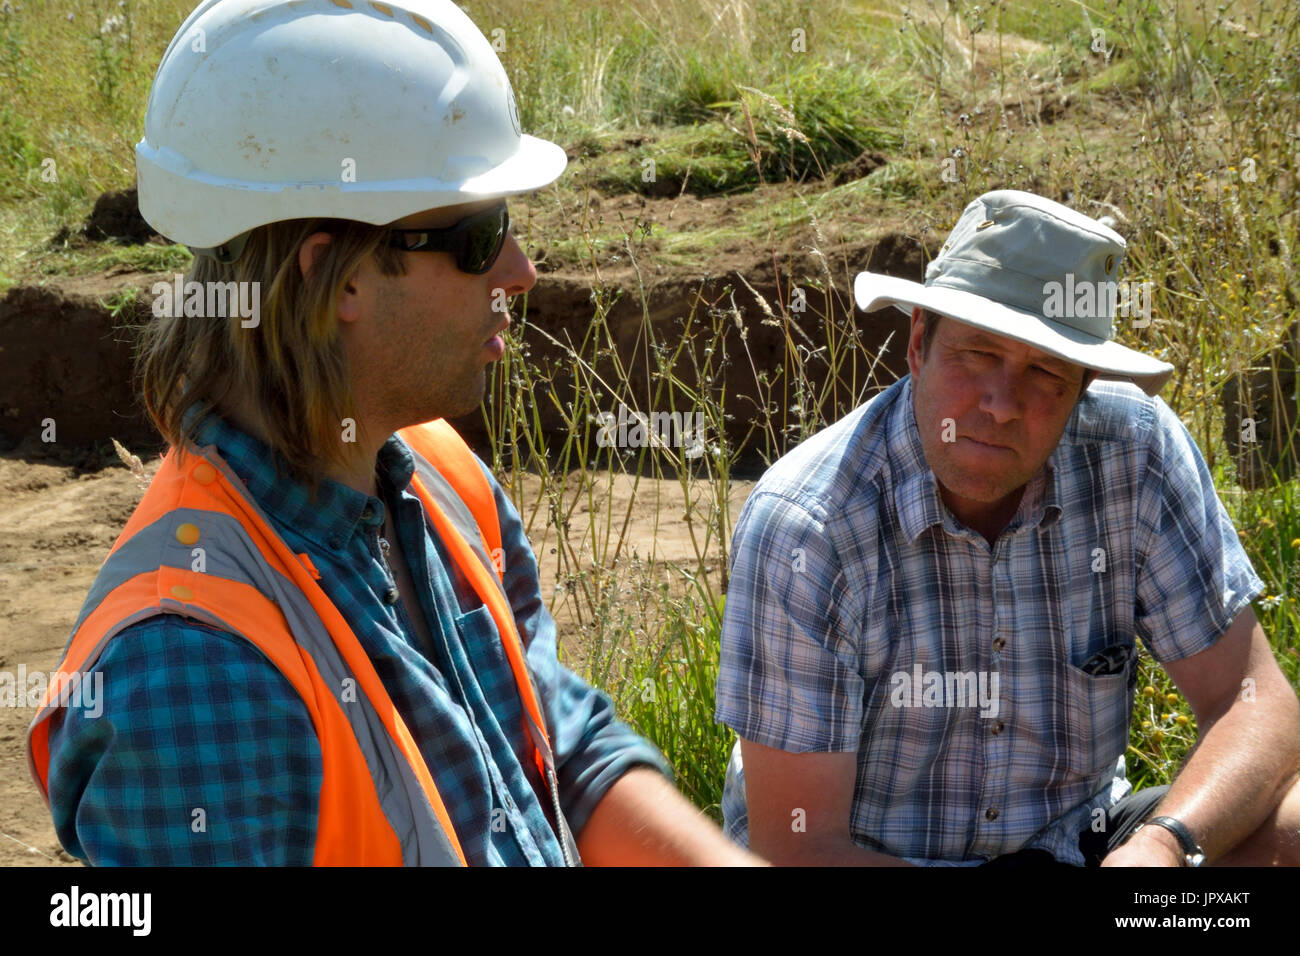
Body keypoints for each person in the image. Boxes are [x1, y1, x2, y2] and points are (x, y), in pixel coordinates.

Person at [27, 0, 757, 867]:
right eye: (480, 235)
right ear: (336, 279)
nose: (522, 272)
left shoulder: (435, 476)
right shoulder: (192, 665)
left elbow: (557, 751)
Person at [715, 189, 1300, 866]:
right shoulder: (808, 524)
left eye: (1044, 371)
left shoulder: (1134, 453)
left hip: (1084, 843)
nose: (1000, 404)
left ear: (1083, 388)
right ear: (916, 344)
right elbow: (799, 845)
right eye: (977, 354)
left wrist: (1165, 848)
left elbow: (1255, 704)